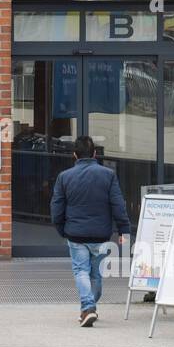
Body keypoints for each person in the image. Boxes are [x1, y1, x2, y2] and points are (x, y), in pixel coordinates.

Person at [50, 135, 131, 327]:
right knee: (96, 274)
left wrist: (62, 229)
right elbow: (118, 205)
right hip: (101, 235)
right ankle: (89, 308)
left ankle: (88, 307)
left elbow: (56, 208)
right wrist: (124, 232)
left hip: (76, 234)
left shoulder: (64, 177)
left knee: (80, 271)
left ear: (74, 155)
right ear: (95, 153)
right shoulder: (108, 175)